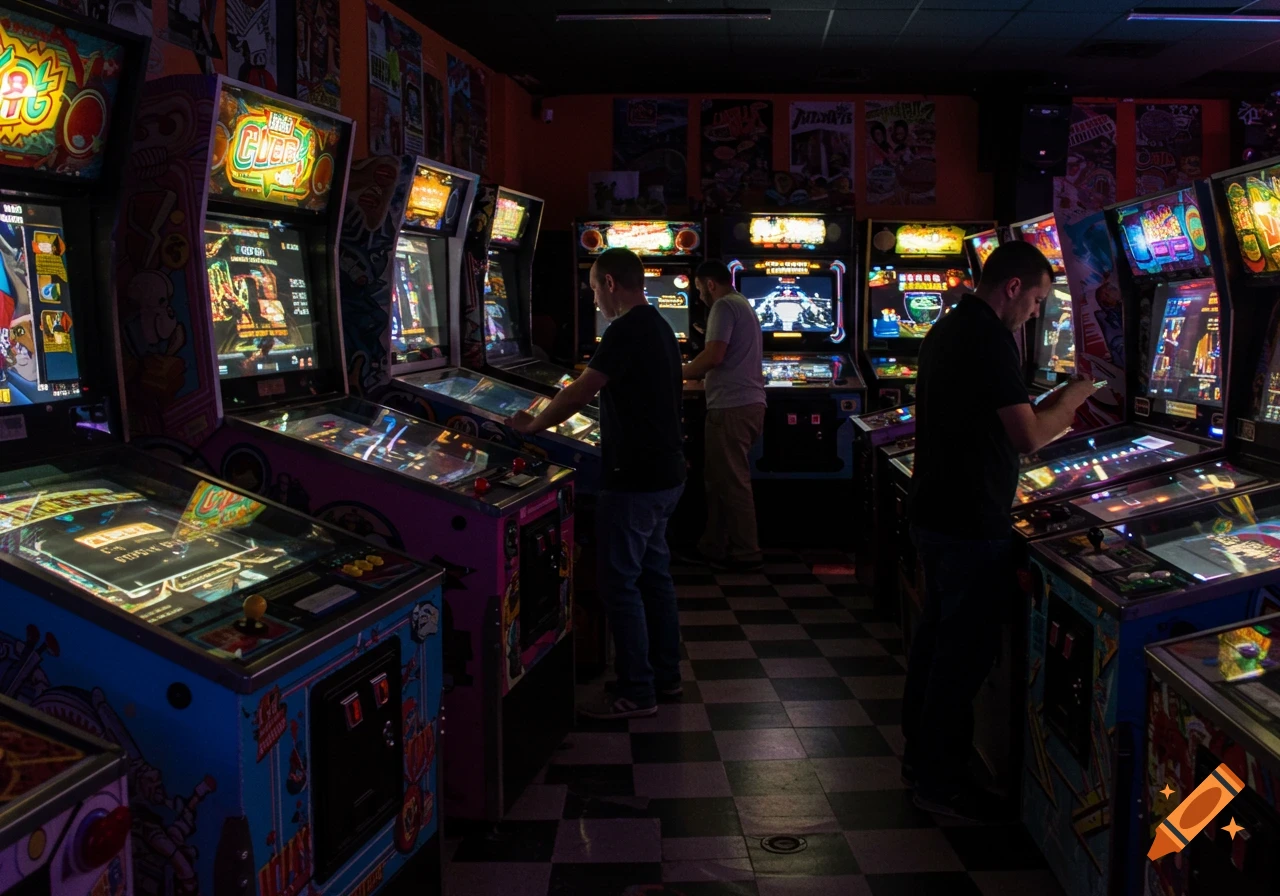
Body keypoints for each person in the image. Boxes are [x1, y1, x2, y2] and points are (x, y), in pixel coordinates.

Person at [902, 240, 1101, 821]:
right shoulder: (988, 339)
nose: (1037, 313)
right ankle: (940, 783)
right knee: (960, 658)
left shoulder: (949, 327)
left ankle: (921, 760)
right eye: (1038, 299)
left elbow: (997, 415)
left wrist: (1051, 401)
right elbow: (1028, 438)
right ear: (1013, 287)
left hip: (936, 511)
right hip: (969, 521)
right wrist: (1078, 399)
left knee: (935, 646)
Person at [507, 247, 685, 720]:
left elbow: (582, 389)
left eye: (592, 289)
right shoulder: (661, 326)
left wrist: (532, 426)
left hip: (636, 479)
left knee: (619, 584)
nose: (594, 300)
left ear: (609, 283)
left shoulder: (625, 329)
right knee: (653, 577)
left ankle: (636, 690)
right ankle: (665, 677)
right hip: (666, 473)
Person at [680, 260, 766, 572]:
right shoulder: (741, 303)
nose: (699, 294)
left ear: (710, 284)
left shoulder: (724, 306)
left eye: (700, 288)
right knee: (718, 481)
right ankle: (713, 547)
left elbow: (713, 356)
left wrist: (677, 374)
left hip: (732, 406)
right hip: (745, 404)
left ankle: (746, 553)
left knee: (731, 482)